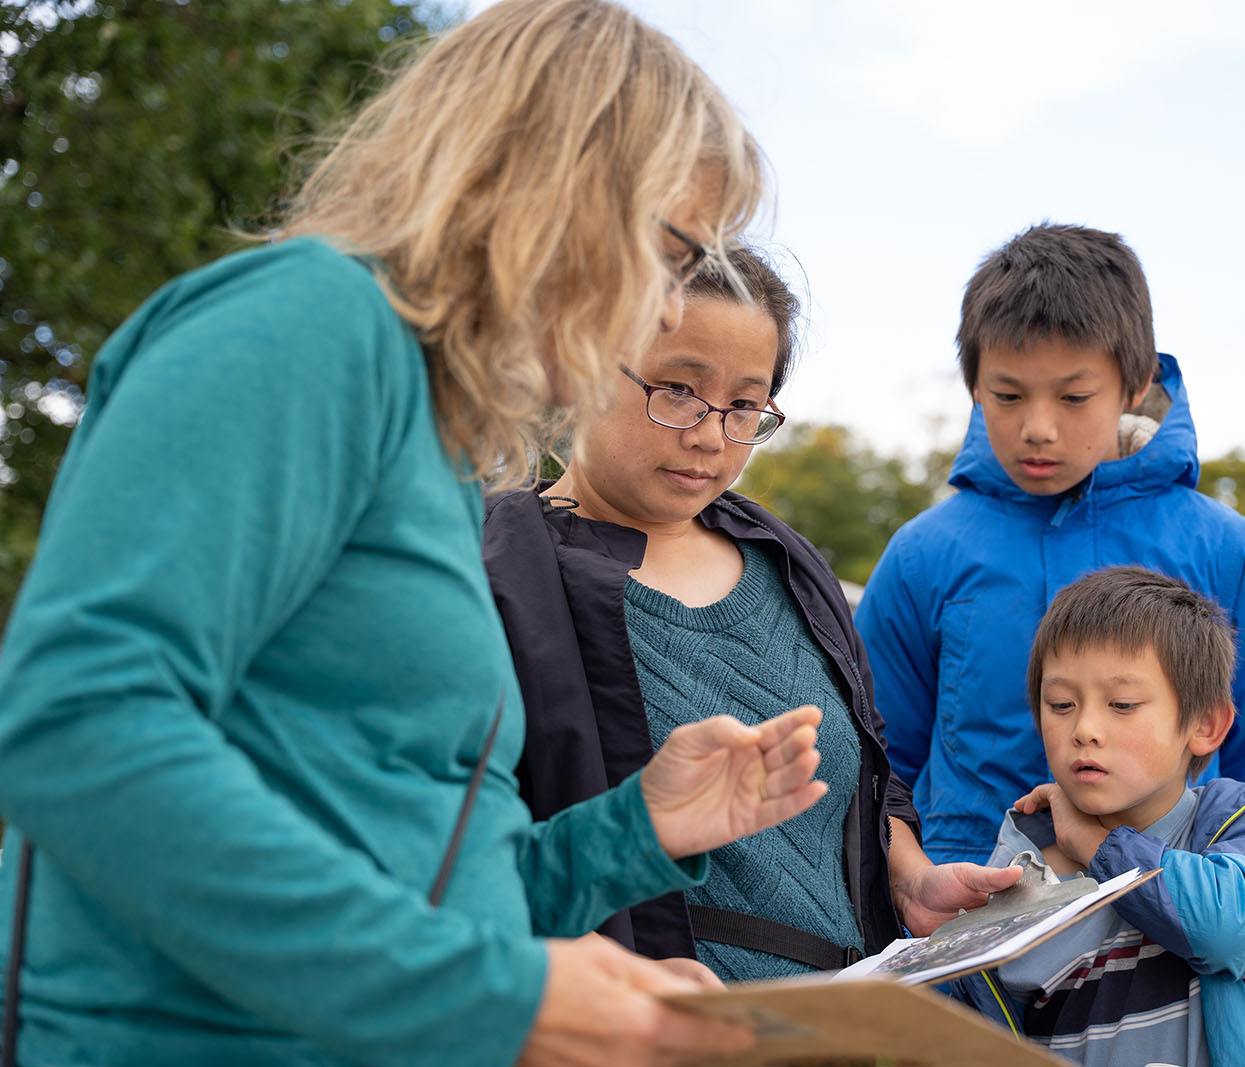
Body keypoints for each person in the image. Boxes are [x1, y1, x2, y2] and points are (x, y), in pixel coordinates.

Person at [0, 2, 824, 1064]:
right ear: (554, 188)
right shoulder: (309, 324)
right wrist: (486, 993)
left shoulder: (440, 452)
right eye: (670, 253)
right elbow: (74, 722)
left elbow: (416, 872)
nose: (666, 306)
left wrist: (630, 840)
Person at [483, 245, 1021, 981]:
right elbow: (455, 848)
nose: (709, 435)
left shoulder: (787, 561)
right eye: (677, 389)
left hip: (842, 1025)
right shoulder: (498, 570)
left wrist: (911, 877)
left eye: (744, 405)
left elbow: (863, 770)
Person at [856, 223, 1245, 866]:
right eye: (1007, 395)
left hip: (1168, 930)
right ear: (974, 385)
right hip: (965, 931)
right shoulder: (921, 555)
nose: (1037, 428)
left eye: (1074, 396)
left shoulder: (1223, 549)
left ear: (1134, 384)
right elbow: (877, 767)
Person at [957, 566, 1245, 1066]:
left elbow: (1229, 930)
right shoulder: (1018, 856)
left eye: (1123, 704)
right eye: (1061, 703)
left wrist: (1094, 845)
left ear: (1204, 724)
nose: (1085, 728)